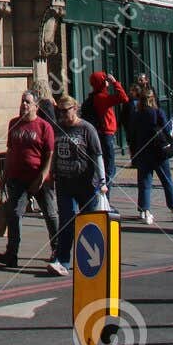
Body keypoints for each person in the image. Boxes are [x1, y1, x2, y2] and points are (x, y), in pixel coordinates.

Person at [0, 90, 58, 270]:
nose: (24, 105)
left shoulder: (44, 127)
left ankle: (57, 250)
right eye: (22, 101)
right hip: (17, 179)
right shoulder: (13, 124)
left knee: (50, 215)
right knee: (14, 215)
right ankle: (11, 254)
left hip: (40, 180)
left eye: (28, 102)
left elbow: (49, 154)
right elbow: (10, 152)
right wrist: (4, 177)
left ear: (35, 107)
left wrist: (43, 175)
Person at [49, 93, 106, 276]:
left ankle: (92, 260)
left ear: (75, 109)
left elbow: (97, 155)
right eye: (60, 111)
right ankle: (63, 261)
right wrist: (51, 173)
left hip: (86, 183)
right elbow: (54, 153)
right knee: (66, 221)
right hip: (64, 182)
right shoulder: (58, 128)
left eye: (66, 111)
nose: (63, 115)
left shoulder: (86, 128)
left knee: (88, 223)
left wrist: (102, 181)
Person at [126, 88, 173, 224]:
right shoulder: (158, 112)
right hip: (159, 153)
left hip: (143, 153)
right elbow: (167, 130)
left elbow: (131, 135)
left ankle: (146, 212)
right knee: (167, 181)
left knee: (144, 183)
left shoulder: (136, 115)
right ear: (153, 99)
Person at [82, 71, 128, 188]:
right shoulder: (102, 97)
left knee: (104, 164)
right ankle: (105, 195)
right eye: (105, 80)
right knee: (109, 167)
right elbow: (124, 98)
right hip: (107, 134)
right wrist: (115, 83)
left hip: (102, 133)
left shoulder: (96, 97)